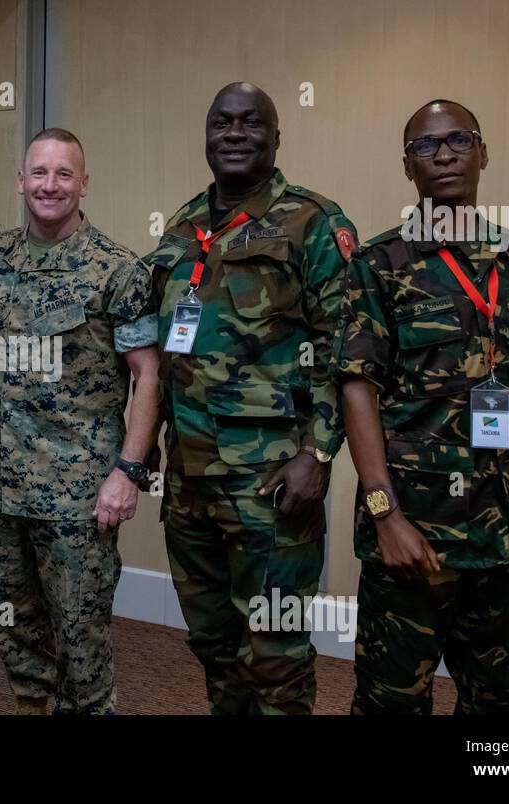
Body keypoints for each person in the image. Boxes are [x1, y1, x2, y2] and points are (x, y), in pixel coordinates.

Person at [335, 99, 509, 715]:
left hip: (505, 531)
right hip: (416, 534)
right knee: (392, 703)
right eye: (425, 146)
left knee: (501, 701)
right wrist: (385, 514)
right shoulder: (379, 263)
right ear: (407, 166)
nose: (443, 154)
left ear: (482, 153)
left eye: (458, 140)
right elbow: (356, 385)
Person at [147, 82, 358, 714]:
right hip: (187, 480)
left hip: (270, 479)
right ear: (206, 134)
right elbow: (158, 355)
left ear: (275, 136)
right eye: (221, 123)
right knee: (213, 641)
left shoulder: (313, 222)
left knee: (275, 649)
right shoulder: (180, 227)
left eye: (251, 123)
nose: (234, 134)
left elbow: (346, 349)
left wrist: (318, 455)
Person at [0, 128, 159, 715]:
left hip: (78, 494)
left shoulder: (118, 269)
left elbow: (148, 377)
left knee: (82, 639)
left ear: (83, 183)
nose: (48, 185)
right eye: (38, 173)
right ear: (20, 181)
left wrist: (128, 471)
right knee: (10, 624)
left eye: (62, 174)